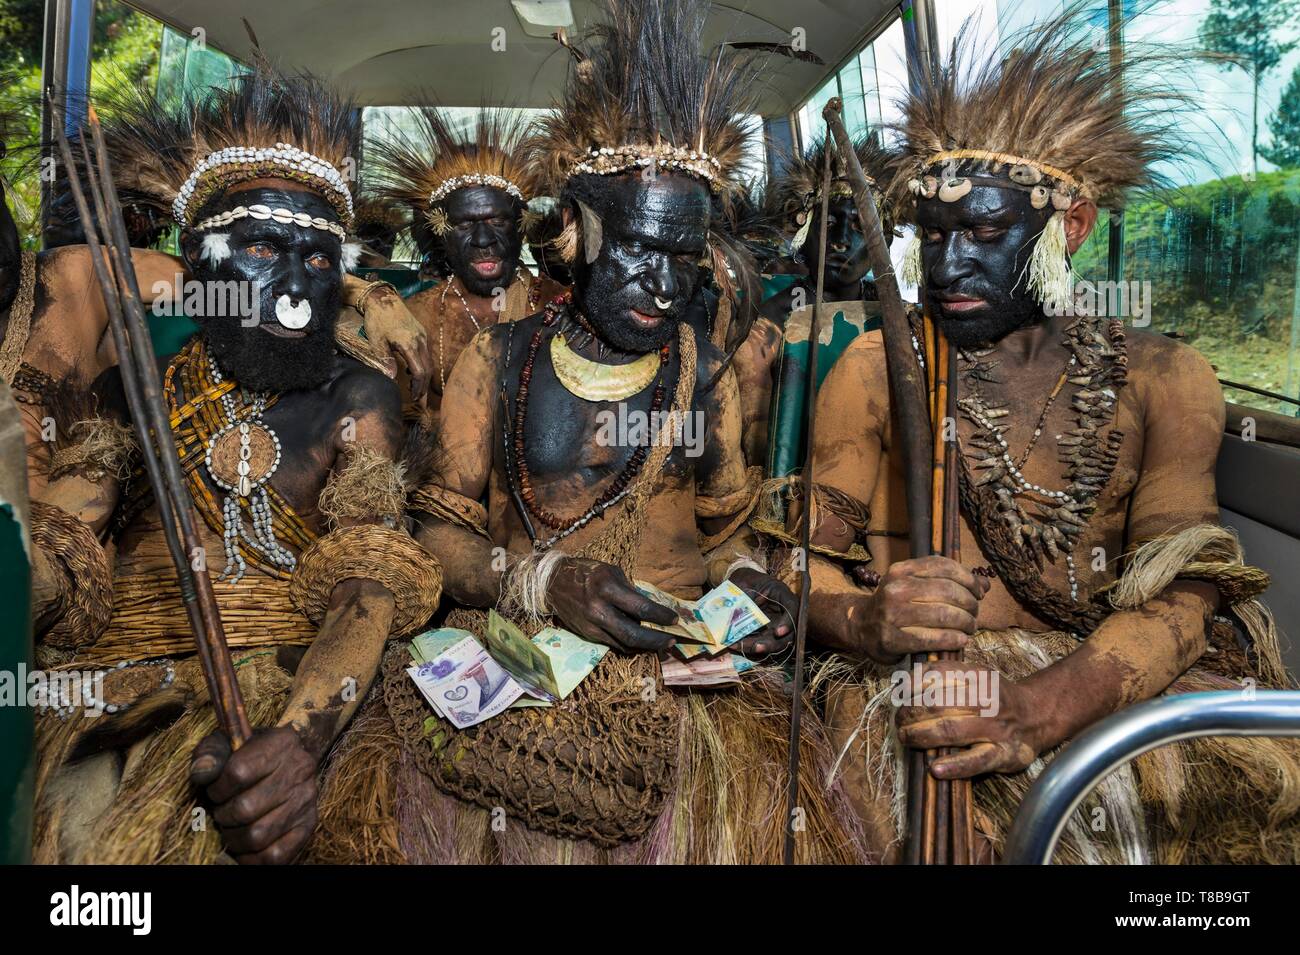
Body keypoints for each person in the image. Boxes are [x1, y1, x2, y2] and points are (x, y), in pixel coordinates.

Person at [310, 0, 868, 865]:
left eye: (684, 261)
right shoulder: (496, 362)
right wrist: (544, 580)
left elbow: (725, 541)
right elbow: (440, 537)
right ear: (577, 230)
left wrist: (756, 585)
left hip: (686, 685)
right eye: (641, 250)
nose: (662, 285)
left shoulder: (706, 370)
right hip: (523, 663)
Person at [799, 10, 1300, 863]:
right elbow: (787, 562)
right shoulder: (878, 369)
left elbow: (1191, 590)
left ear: (1069, 227)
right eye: (934, 236)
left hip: (1093, 666)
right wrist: (863, 616)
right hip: (910, 675)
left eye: (987, 235)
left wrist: (1044, 707)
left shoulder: (1165, 378)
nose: (949, 268)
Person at [30, 66, 443, 865]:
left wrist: (299, 740)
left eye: (320, 262)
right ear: (198, 262)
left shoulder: (356, 397)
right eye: (262, 248)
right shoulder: (131, 391)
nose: (295, 293)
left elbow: (367, 582)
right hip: (123, 692)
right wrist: (25, 578)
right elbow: (62, 550)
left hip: (282, 685)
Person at [370, 107, 565, 415]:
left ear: (520, 227)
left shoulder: (560, 306)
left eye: (498, 221)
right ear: (443, 233)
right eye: (464, 225)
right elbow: (400, 426)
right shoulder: (416, 316)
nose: (483, 239)